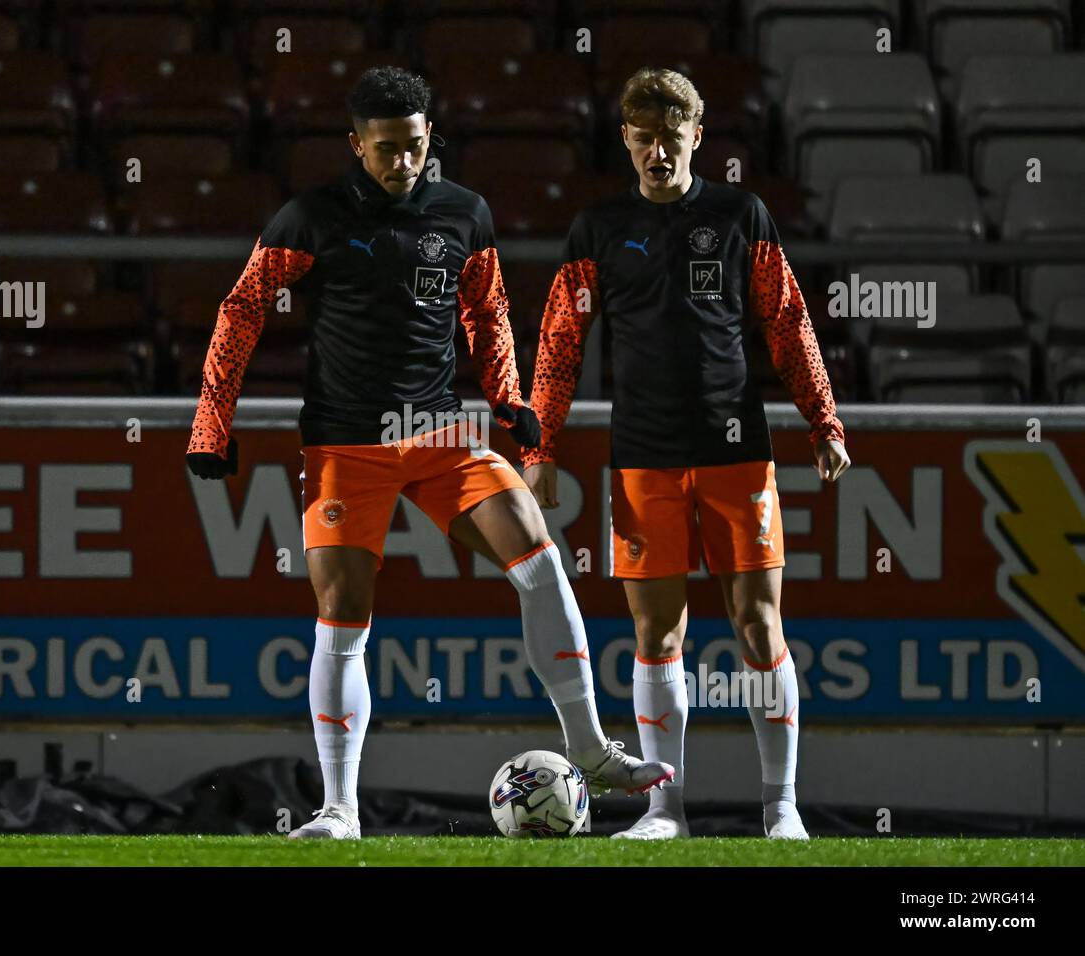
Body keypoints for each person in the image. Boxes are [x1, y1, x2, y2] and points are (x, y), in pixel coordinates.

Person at [187, 66, 674, 840]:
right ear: (356, 144)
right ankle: (340, 809)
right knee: (343, 619)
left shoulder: (463, 213)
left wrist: (509, 396)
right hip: (348, 441)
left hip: (443, 432)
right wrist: (212, 423)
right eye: (386, 149)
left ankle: (588, 745)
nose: (403, 163)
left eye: (415, 147)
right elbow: (242, 307)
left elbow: (486, 309)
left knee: (541, 559)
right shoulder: (311, 217)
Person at [524, 67, 851, 841]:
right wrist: (541, 439)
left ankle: (782, 809)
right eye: (644, 139)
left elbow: (788, 322)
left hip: (736, 446)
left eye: (672, 138)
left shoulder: (743, 215)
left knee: (758, 625)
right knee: (656, 636)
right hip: (642, 453)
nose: (658, 152)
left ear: (697, 138)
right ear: (628, 142)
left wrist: (825, 419)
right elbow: (560, 341)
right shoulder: (597, 229)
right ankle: (663, 811)